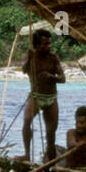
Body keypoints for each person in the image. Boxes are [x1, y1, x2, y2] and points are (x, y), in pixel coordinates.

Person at [21, 29, 65, 162]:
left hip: (51, 98)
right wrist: (28, 60)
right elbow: (23, 70)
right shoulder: (30, 56)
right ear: (37, 45)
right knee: (27, 120)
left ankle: (51, 163)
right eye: (45, 44)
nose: (48, 46)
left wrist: (51, 77)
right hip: (36, 96)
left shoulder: (53, 57)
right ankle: (27, 155)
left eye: (49, 43)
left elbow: (63, 78)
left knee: (51, 133)